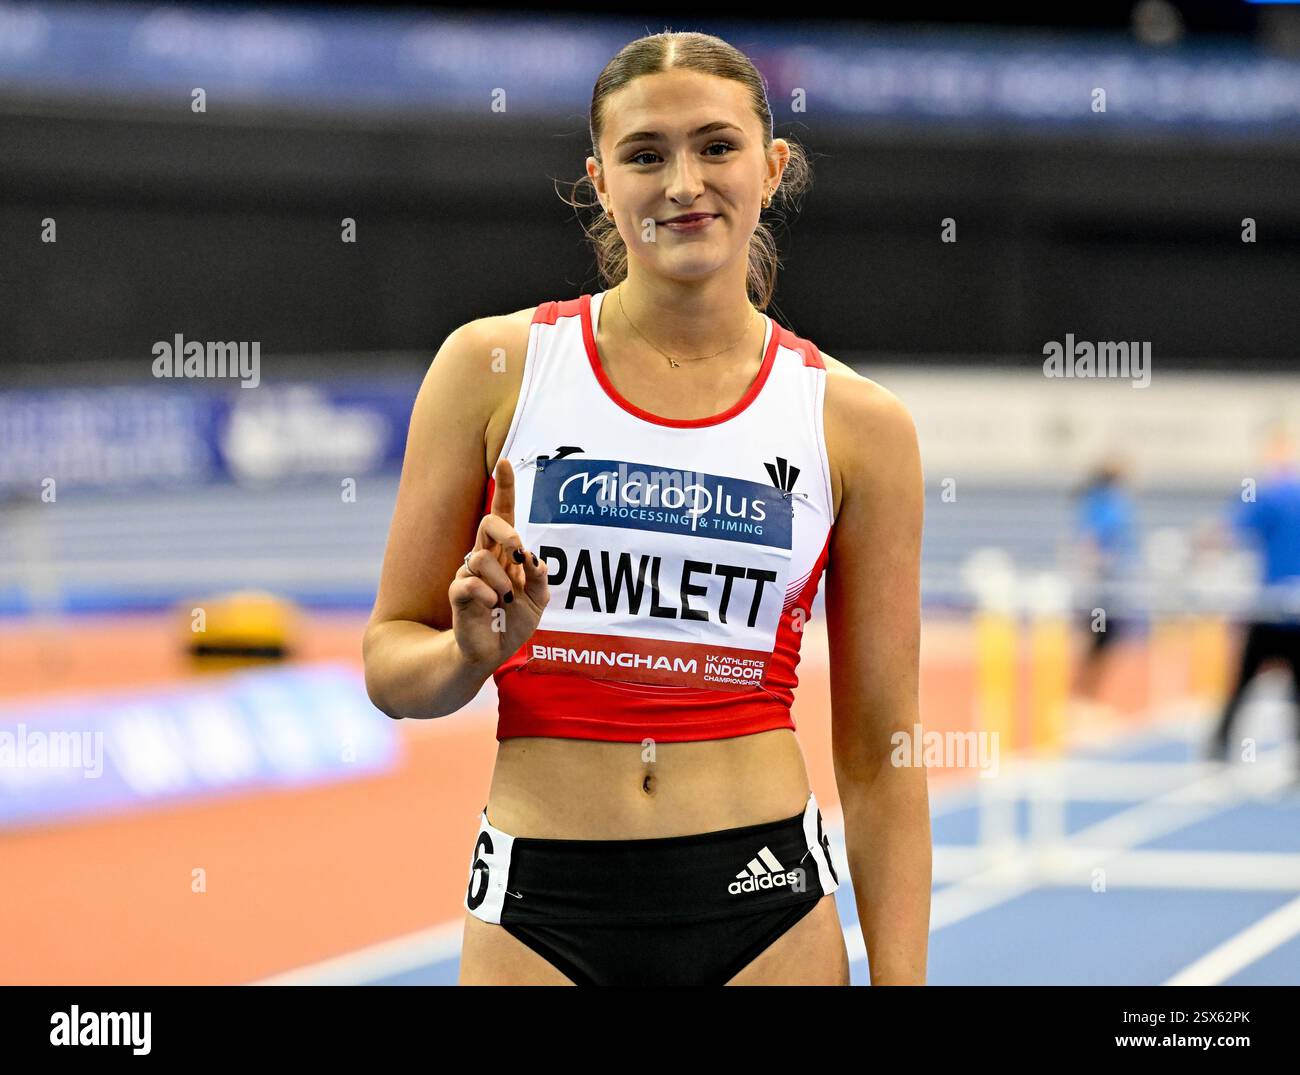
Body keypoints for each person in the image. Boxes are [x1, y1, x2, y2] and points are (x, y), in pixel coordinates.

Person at [363, 31, 929, 986]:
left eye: (716, 146)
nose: (682, 184)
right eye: (644, 154)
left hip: (764, 907)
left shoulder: (857, 424)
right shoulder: (491, 368)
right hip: (541, 909)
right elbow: (390, 666)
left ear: (772, 165)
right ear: (598, 179)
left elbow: (879, 753)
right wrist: (469, 650)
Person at [1210, 427, 1300, 768]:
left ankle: (1220, 749)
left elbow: (1230, 532)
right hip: (1287, 611)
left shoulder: (1269, 494)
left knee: (1243, 682)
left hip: (1270, 607)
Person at [1069, 457, 1142, 702]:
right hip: (1101, 586)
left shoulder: (1108, 502)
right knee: (1099, 637)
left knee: (1104, 639)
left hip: (1110, 584)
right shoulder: (1105, 503)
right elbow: (1091, 540)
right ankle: (1083, 694)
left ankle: (1087, 693)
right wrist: (1094, 572)